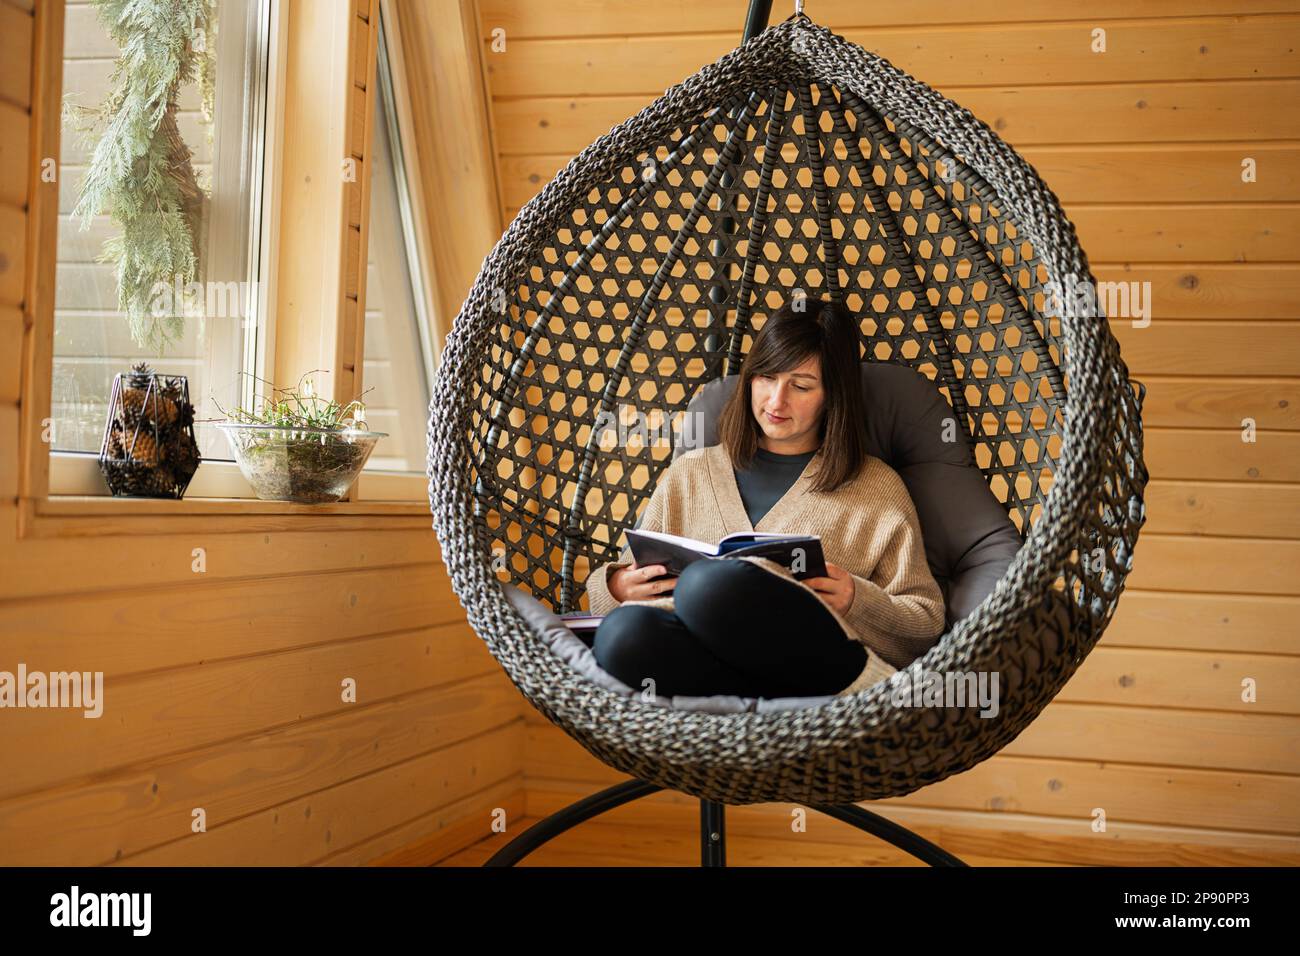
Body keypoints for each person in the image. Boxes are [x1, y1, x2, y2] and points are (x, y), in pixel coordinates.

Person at [583, 297, 946, 700]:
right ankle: (759, 715)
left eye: (802, 386)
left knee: (708, 586)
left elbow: (925, 622)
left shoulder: (875, 487)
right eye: (766, 378)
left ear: (833, 395)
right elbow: (625, 583)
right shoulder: (691, 473)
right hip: (709, 669)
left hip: (831, 673)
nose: (776, 402)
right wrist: (616, 587)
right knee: (621, 637)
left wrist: (857, 600)